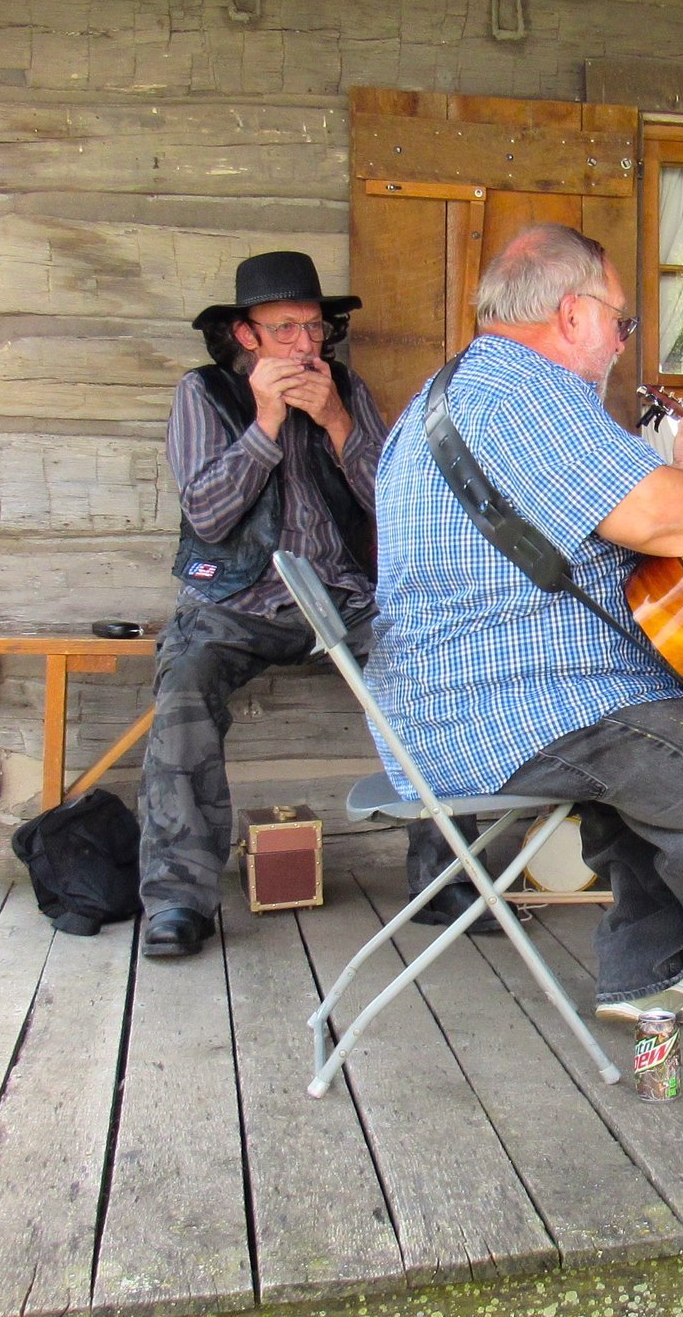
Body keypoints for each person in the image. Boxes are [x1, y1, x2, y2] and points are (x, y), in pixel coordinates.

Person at [366, 223, 683, 1049]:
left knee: (666, 731)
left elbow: (627, 514)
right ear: (573, 314)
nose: (622, 340)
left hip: (472, 698)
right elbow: (656, 516)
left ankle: (654, 972)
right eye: (621, 321)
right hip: (500, 707)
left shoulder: (473, 388)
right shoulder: (521, 392)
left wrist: (679, 463)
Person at [140, 251, 389, 960]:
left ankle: (453, 878)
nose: (307, 346)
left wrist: (339, 421)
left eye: (315, 328)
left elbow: (393, 501)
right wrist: (267, 421)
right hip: (236, 598)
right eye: (286, 330)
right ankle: (178, 902)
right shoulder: (204, 393)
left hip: (340, 596)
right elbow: (209, 515)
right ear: (246, 334)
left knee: (424, 670)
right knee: (183, 687)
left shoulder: (345, 388)